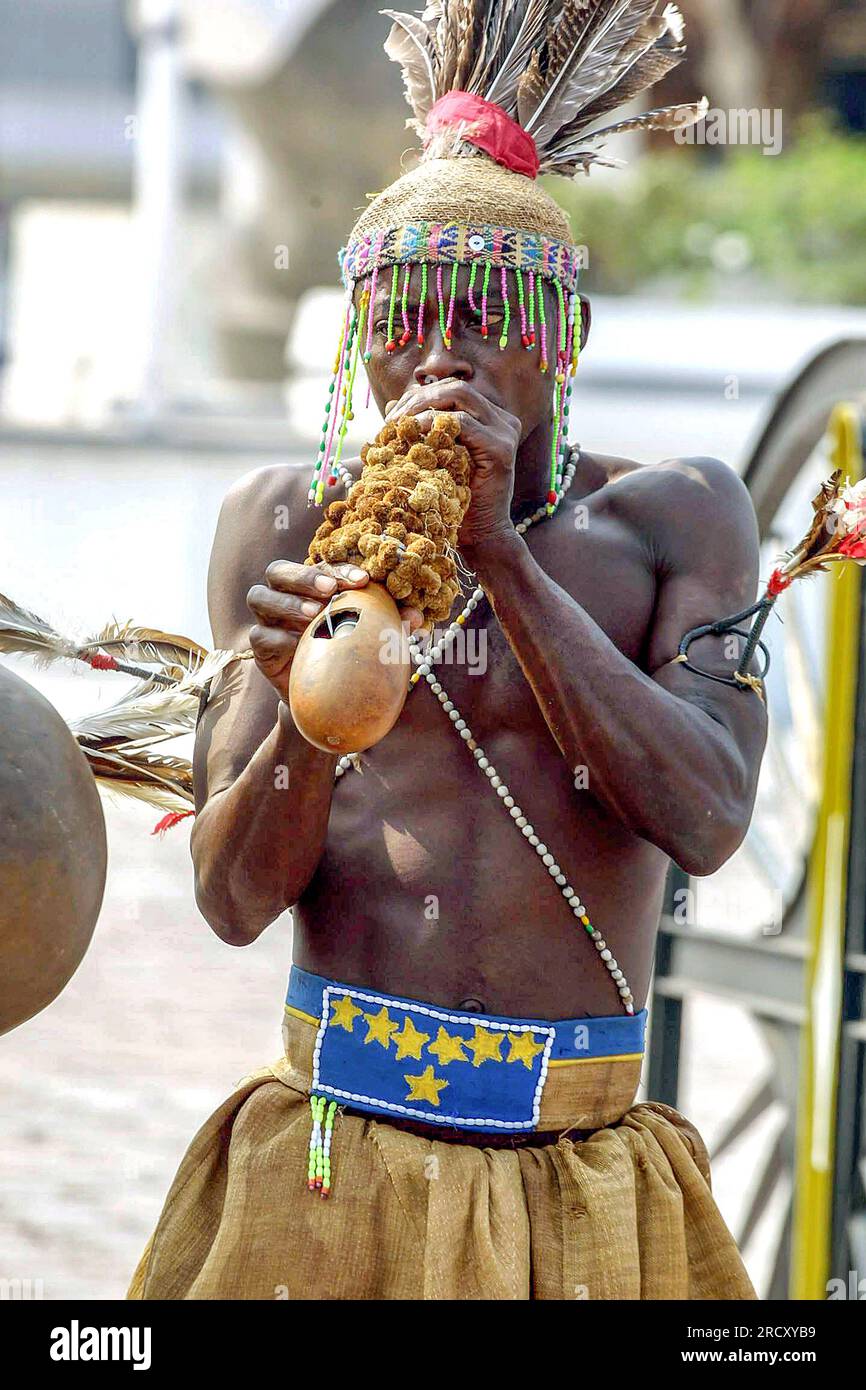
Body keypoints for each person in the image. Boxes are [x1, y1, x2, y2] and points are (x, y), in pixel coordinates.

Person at [129, 0, 764, 1300]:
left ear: (563, 341)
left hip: (575, 1160)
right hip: (330, 1156)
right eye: (403, 322)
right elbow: (233, 900)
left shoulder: (673, 520)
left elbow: (702, 816)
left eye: (484, 319)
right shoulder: (285, 525)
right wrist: (313, 710)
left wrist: (500, 560)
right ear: (357, 345)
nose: (436, 356)